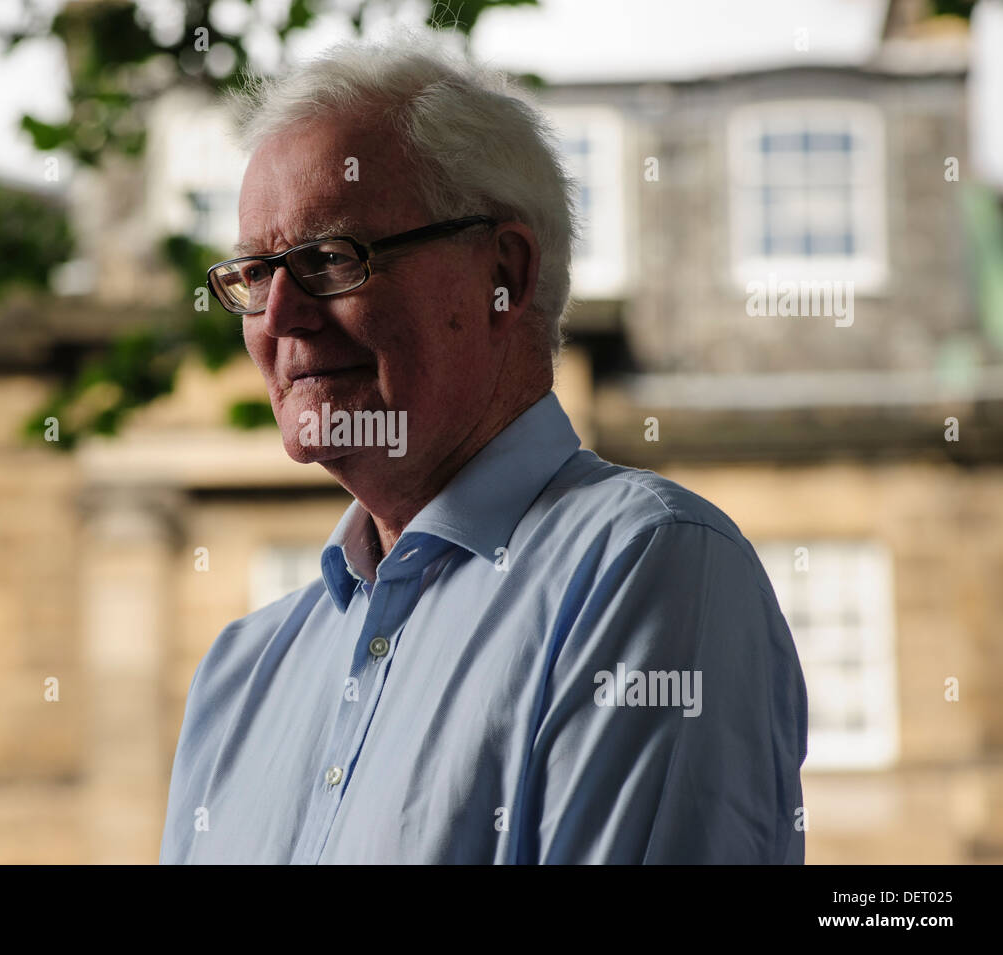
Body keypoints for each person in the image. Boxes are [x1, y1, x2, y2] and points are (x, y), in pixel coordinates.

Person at [159, 35, 808, 864]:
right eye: (254, 272)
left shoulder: (645, 565)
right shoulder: (238, 677)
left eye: (330, 259)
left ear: (504, 273)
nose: (279, 315)